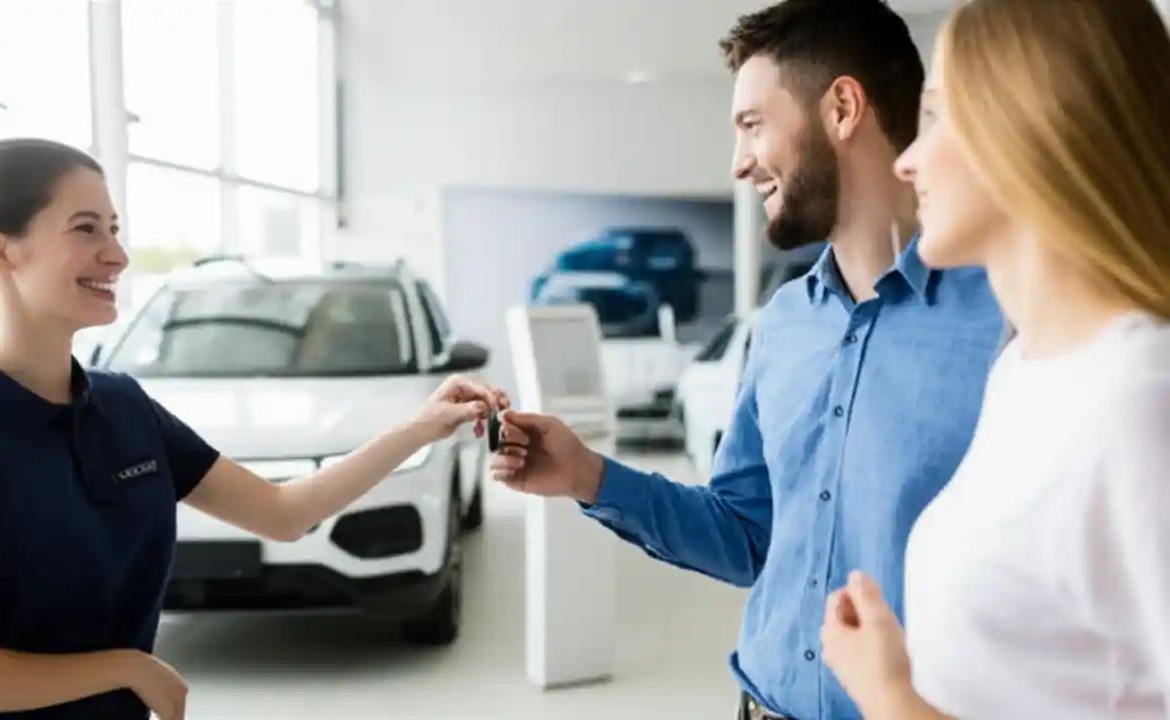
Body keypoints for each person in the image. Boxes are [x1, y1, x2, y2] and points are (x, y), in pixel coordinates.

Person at [490, 1, 1005, 717]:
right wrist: (587, 475)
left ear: (843, 107)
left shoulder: (1006, 321)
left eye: (752, 124)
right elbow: (746, 533)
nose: (738, 163)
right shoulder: (785, 325)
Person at [0, 138, 508, 720]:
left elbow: (283, 513)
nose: (118, 254)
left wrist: (422, 427)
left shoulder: (123, 406)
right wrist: (128, 668)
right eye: (86, 229)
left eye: (114, 230)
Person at [820, 0, 1170, 717]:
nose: (908, 158)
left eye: (939, 115)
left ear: (1037, 128)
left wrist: (892, 699)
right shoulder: (1022, 372)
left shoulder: (1142, 404)